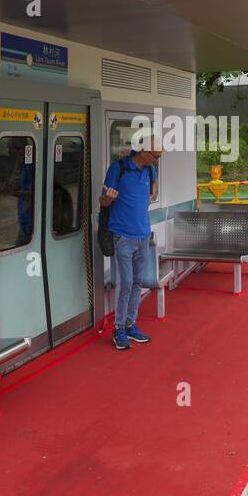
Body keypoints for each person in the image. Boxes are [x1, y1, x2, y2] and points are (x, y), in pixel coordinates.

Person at [100, 146, 162, 350]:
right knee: (125, 283)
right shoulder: (118, 169)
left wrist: (152, 194)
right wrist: (108, 198)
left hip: (143, 234)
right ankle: (118, 330)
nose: (157, 160)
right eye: (156, 155)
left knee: (137, 282)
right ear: (143, 151)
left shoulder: (150, 170)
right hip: (123, 236)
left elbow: (153, 193)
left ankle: (130, 324)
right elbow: (103, 200)